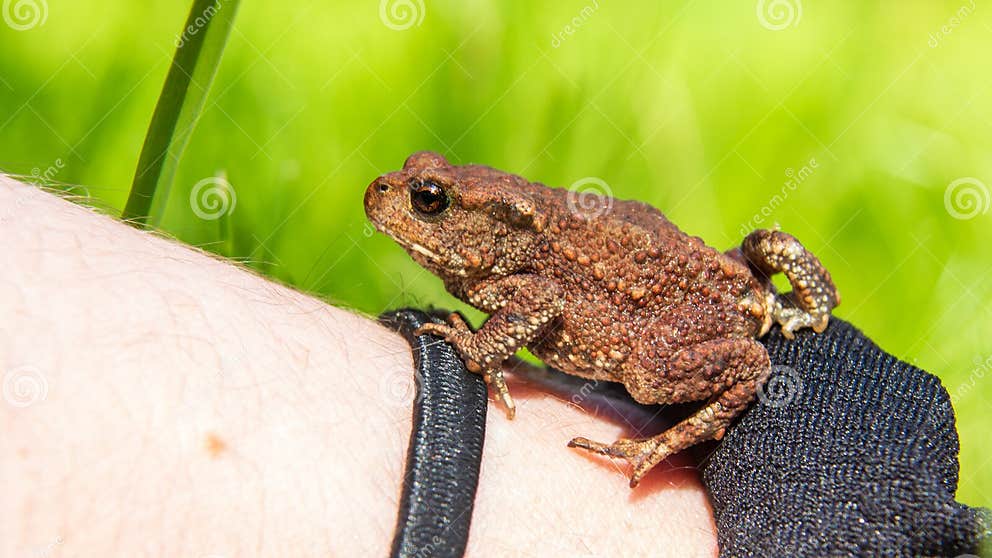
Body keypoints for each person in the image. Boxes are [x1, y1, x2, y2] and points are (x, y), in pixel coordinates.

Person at [2, 177, 987, 556]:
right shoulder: (517, 252)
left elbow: (550, 303)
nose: (399, 206)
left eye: (430, 201)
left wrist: (476, 353)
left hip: (669, 311)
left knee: (662, 370)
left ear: (480, 219)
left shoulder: (523, 266)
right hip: (672, 283)